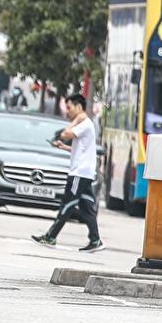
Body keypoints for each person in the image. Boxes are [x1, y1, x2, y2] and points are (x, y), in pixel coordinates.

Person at [32, 94, 104, 252]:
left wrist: (76, 119)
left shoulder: (84, 123)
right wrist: (62, 147)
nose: (67, 112)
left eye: (70, 108)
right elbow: (81, 149)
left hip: (79, 173)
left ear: (79, 107)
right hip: (83, 172)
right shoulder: (86, 124)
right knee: (87, 208)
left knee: (68, 203)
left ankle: (50, 236)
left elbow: (65, 134)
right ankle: (95, 239)